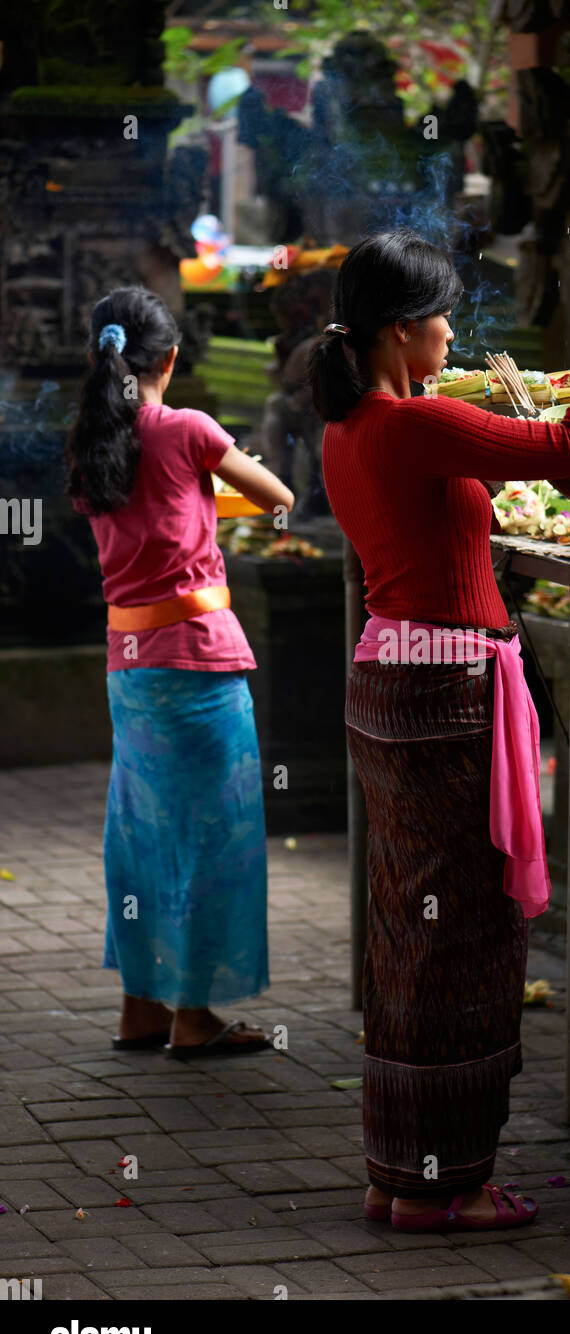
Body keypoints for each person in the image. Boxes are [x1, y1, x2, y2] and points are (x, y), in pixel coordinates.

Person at [311, 218, 570, 1231]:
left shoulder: (353, 430)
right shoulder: (412, 426)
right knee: (460, 938)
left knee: (406, 932)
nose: (453, 336)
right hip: (445, 696)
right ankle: (448, 1182)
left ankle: (399, 1172)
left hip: (391, 682)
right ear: (396, 330)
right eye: (443, 318)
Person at [66, 286, 296, 1057]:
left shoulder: (92, 443)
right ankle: (194, 1016)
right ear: (169, 357)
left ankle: (140, 1007)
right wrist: (210, 485)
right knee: (211, 835)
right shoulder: (187, 428)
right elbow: (277, 497)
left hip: (127, 670)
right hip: (196, 663)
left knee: (140, 831)